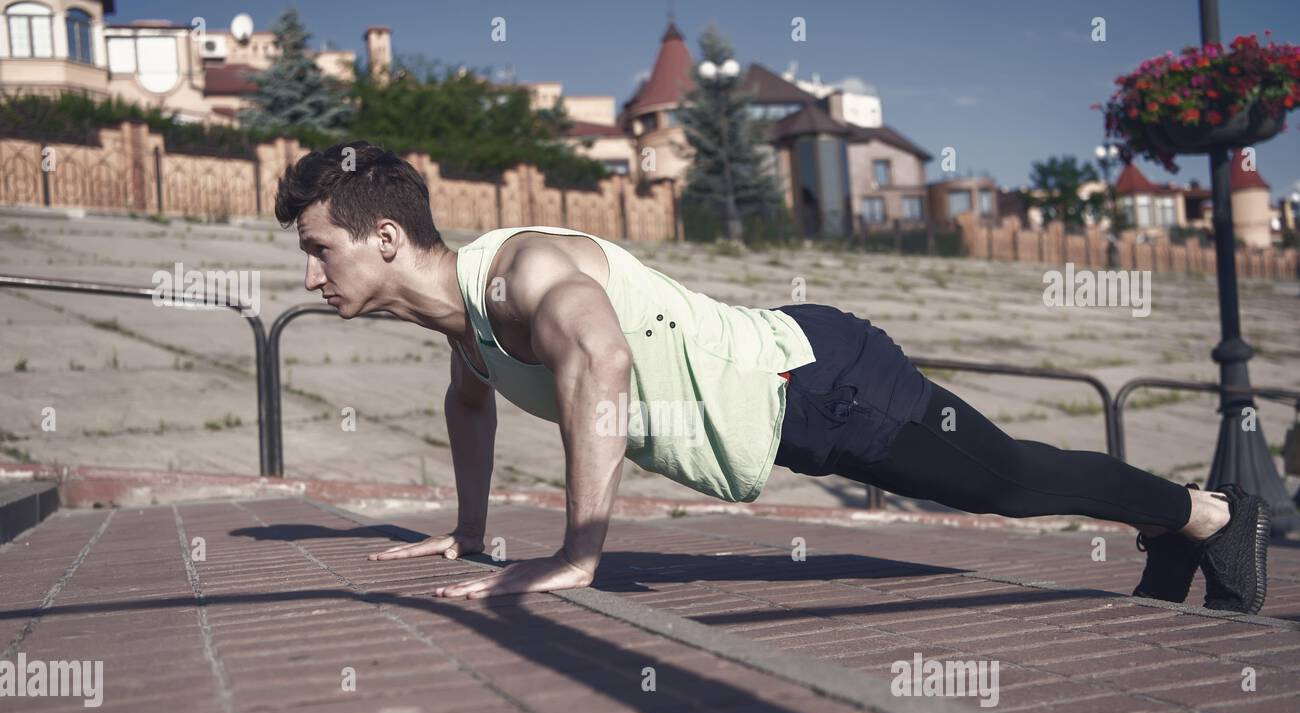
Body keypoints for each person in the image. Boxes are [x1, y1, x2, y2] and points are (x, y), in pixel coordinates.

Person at [274, 141, 1271, 613]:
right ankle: (1174, 523)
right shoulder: (460, 326)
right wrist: (465, 524)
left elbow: (602, 357)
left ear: (389, 238)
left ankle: (1208, 515)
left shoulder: (527, 269)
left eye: (320, 249)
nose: (308, 275)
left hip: (826, 382)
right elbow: (469, 400)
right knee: (1006, 480)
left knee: (1004, 483)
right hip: (794, 378)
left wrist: (578, 551)